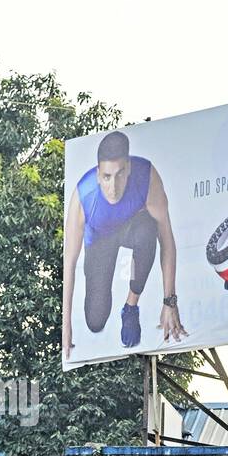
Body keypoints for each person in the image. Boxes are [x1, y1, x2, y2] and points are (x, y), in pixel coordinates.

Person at [63, 130, 188, 360]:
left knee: (148, 231)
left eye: (120, 174)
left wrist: (169, 301)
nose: (113, 186)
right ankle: (104, 309)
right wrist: (66, 328)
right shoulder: (84, 195)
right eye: (107, 177)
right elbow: (69, 263)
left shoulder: (147, 177)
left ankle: (131, 306)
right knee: (95, 321)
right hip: (100, 241)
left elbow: (167, 238)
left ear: (129, 168)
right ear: (98, 174)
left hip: (133, 228)